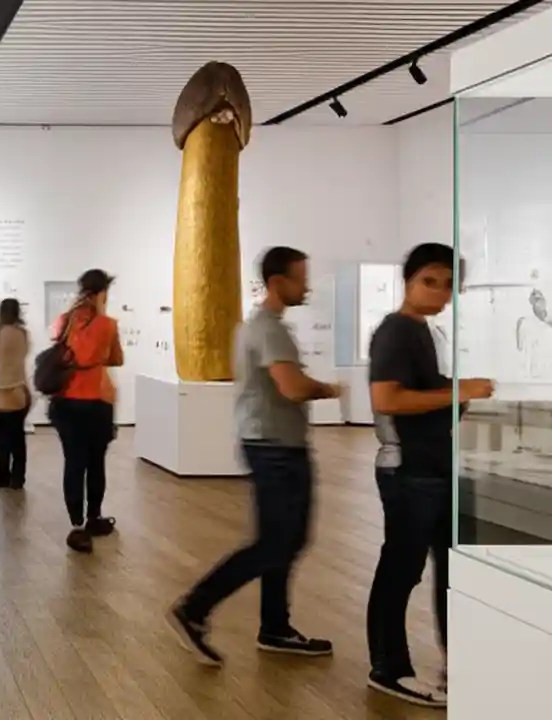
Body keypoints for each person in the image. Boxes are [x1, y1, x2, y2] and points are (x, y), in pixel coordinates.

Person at [168, 246, 341, 666]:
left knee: (281, 541)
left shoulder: (253, 326)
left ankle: (275, 627)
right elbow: (292, 387)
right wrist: (328, 389)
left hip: (266, 444)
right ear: (279, 282)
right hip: (277, 449)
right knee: (280, 542)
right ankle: (195, 608)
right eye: (301, 277)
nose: (307, 285)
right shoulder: (270, 330)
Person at [366, 243, 493, 707]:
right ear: (409, 279)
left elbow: (424, 398)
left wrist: (454, 397)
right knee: (401, 570)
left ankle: (455, 663)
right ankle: (389, 667)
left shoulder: (422, 334)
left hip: (435, 470)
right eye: (431, 281)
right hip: (410, 473)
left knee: (449, 567)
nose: (441, 293)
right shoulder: (396, 331)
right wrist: (458, 391)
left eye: (448, 285)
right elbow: (388, 400)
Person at [50, 269, 124, 553]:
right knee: (96, 462)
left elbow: (61, 351)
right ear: (102, 292)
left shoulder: (64, 321)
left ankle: (76, 525)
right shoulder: (107, 325)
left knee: (74, 461)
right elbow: (117, 358)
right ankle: (94, 516)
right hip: (97, 402)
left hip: (65, 402)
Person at [0, 298, 31, 489]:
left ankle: (3, 475)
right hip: (19, 390)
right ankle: (18, 478)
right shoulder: (23, 333)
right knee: (18, 438)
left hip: (0, 392)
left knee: (2, 439)